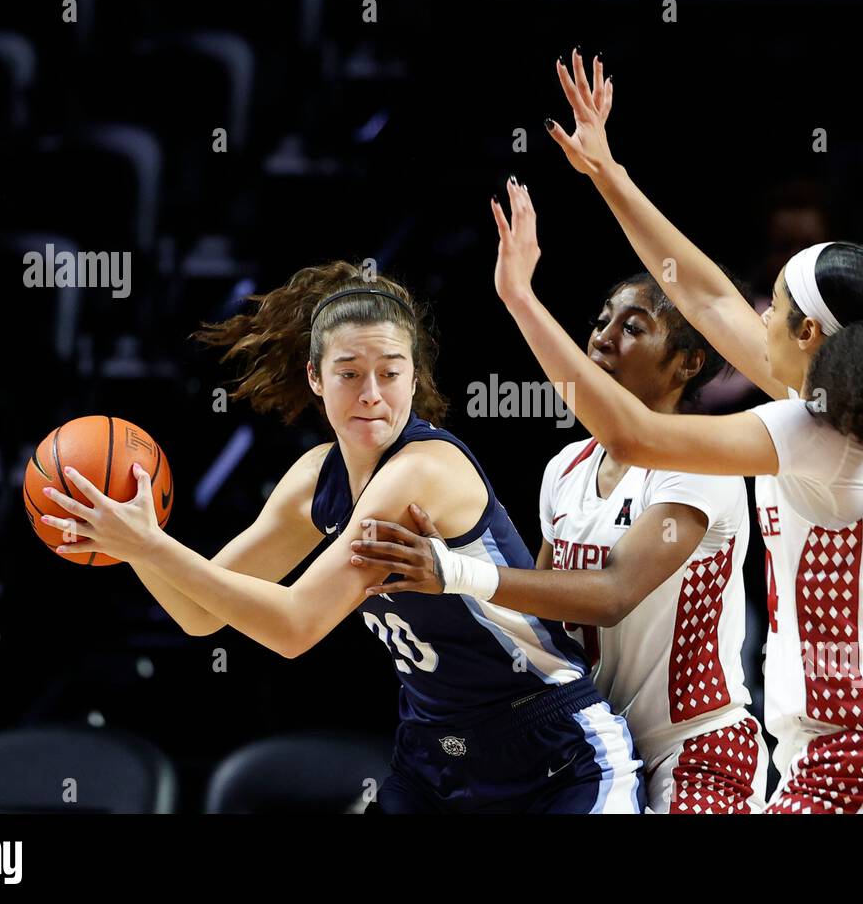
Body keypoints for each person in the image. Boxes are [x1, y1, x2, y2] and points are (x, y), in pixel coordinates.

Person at [466, 51, 863, 813]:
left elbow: (636, 434)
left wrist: (519, 300)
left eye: (774, 308)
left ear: (809, 331)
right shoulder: (847, 408)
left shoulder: (816, 430)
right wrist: (608, 173)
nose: (758, 317)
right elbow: (705, 296)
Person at [37, 259, 644, 814]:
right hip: (435, 754)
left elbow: (296, 626)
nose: (371, 393)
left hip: (552, 750)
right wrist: (131, 540)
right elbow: (198, 613)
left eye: (390, 372)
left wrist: (149, 546)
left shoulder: (423, 470)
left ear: (415, 378)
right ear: (316, 378)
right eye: (349, 373)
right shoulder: (313, 480)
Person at [351, 270, 768, 813]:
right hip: (585, 739)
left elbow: (614, 595)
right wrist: (452, 564)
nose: (603, 337)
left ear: (688, 363)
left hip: (694, 749)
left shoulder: (702, 465)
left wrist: (455, 571)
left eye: (634, 327)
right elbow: (539, 613)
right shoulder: (566, 468)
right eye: (602, 321)